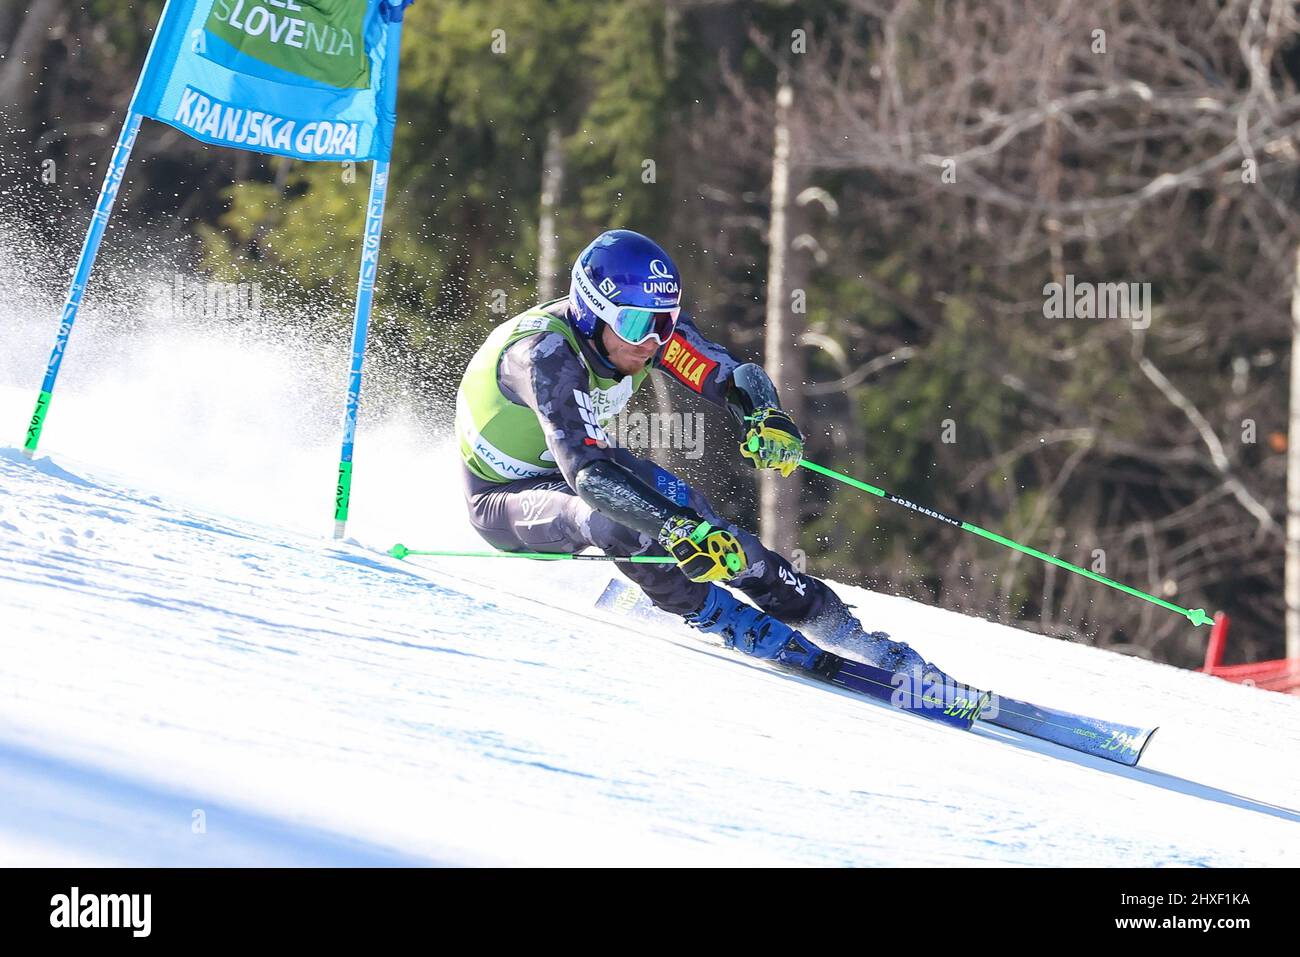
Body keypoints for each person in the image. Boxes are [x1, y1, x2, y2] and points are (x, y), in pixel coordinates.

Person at [455, 228, 945, 679]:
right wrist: (674, 528)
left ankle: (834, 626)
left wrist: (762, 415)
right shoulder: (544, 356)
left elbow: (730, 375)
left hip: (580, 467)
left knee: (699, 515)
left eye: (663, 323)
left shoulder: (649, 337)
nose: (651, 341)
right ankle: (718, 616)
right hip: (506, 497)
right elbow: (587, 476)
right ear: (590, 311)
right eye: (634, 323)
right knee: (616, 521)